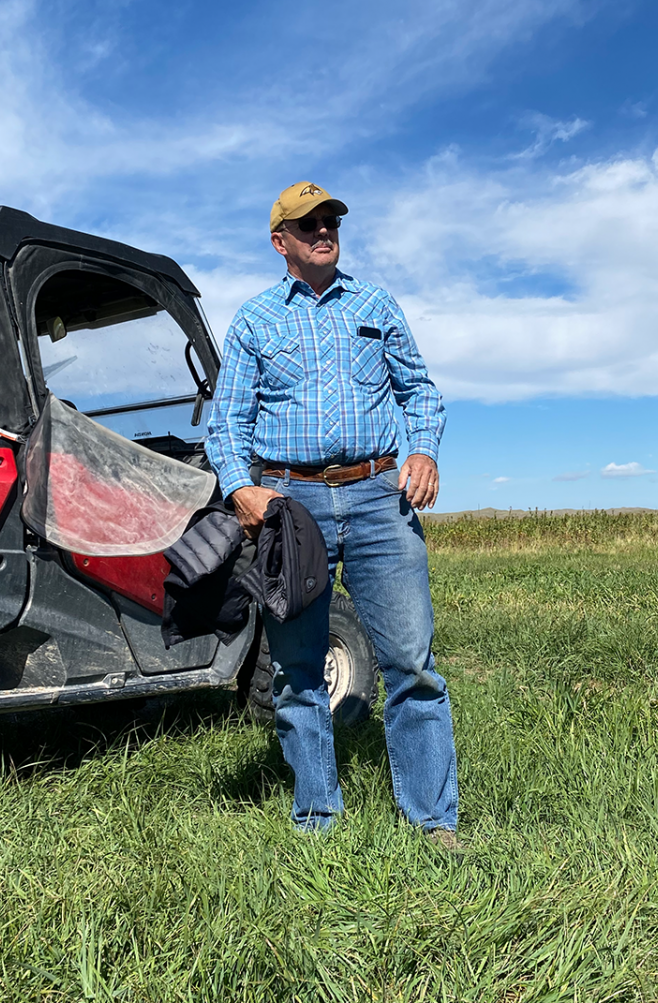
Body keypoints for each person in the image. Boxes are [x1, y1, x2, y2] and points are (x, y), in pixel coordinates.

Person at [205, 181, 461, 853]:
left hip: (380, 495)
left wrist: (423, 452)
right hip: (292, 505)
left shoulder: (375, 304)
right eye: (308, 223)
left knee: (413, 664)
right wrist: (241, 489)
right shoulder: (255, 320)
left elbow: (420, 392)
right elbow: (226, 422)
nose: (324, 230)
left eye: (331, 221)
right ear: (280, 241)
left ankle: (433, 822)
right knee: (296, 671)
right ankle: (317, 820)